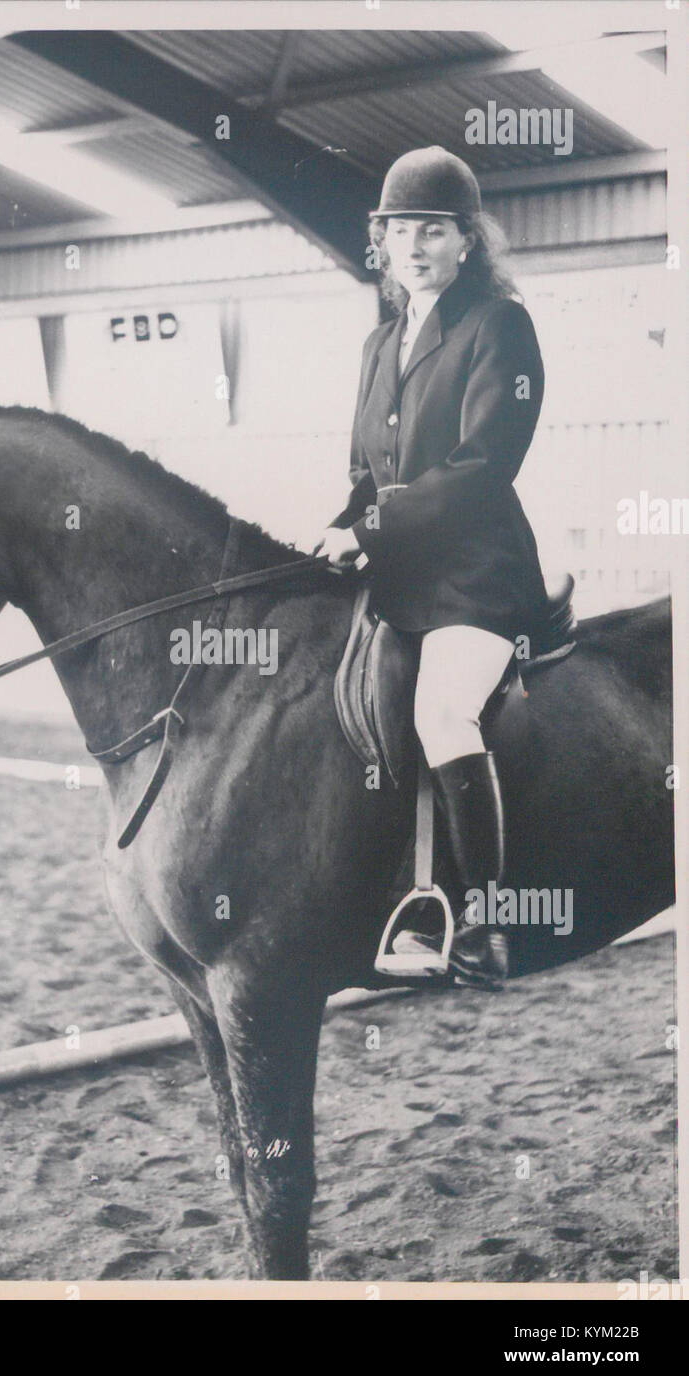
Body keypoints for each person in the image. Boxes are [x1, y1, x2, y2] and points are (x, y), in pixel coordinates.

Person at [319, 146, 549, 989]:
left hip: (474, 574)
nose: (412, 246)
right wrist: (338, 525)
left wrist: (371, 529)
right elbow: (362, 470)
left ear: (466, 242)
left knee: (442, 713)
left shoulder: (498, 325)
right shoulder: (380, 341)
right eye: (397, 230)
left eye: (433, 230)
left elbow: (480, 466)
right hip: (395, 569)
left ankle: (485, 923)